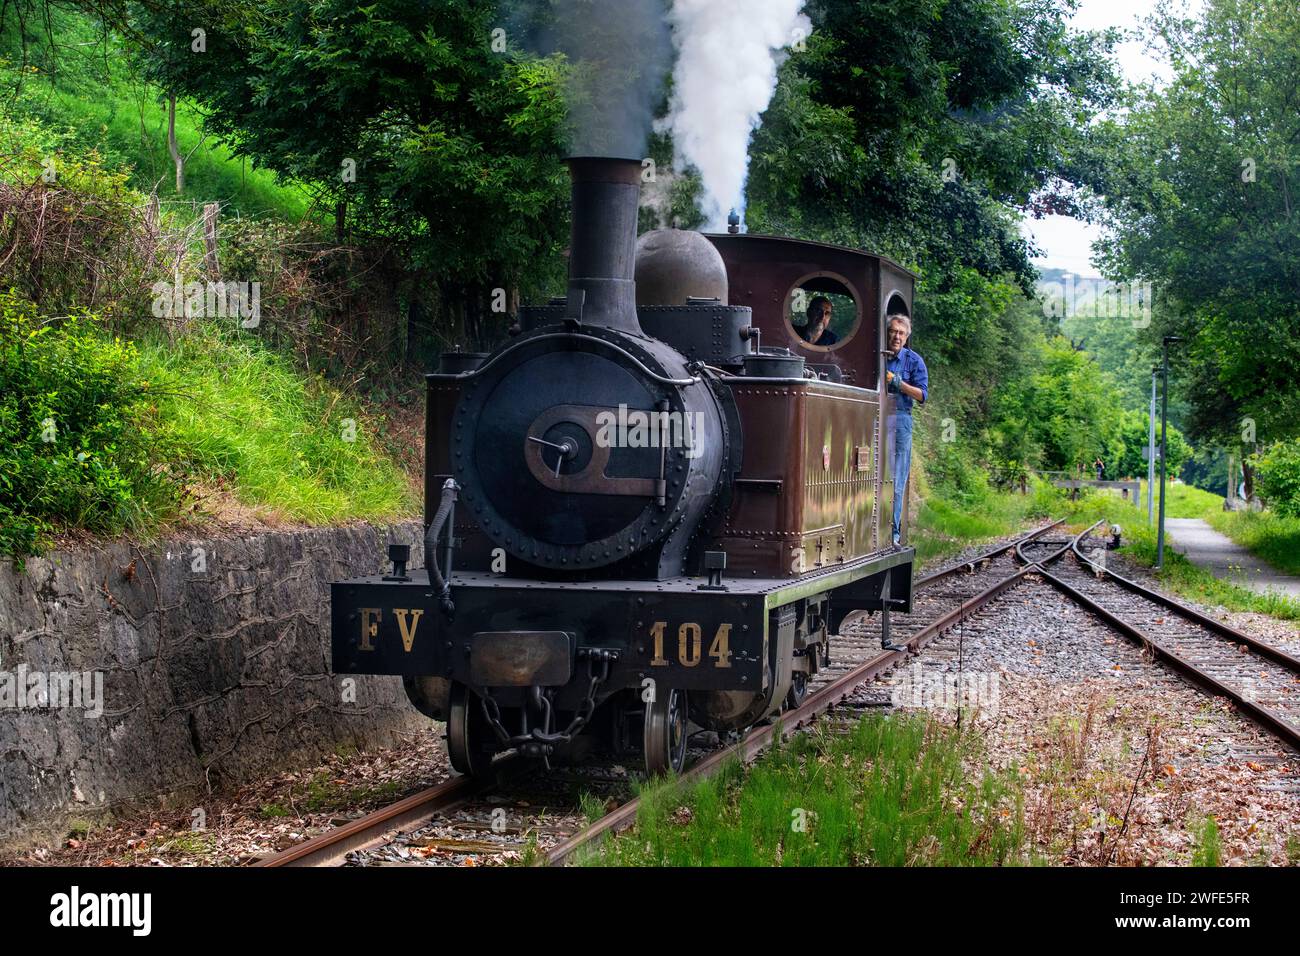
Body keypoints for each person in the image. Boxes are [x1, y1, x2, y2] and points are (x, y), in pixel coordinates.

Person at [885, 313, 927, 548]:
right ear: (887, 332)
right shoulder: (877, 356)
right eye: (893, 331)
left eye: (901, 333)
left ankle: (894, 533)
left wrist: (898, 383)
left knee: (897, 478)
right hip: (875, 417)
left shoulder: (914, 361)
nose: (897, 336)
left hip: (901, 420)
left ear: (907, 336)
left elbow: (922, 395)